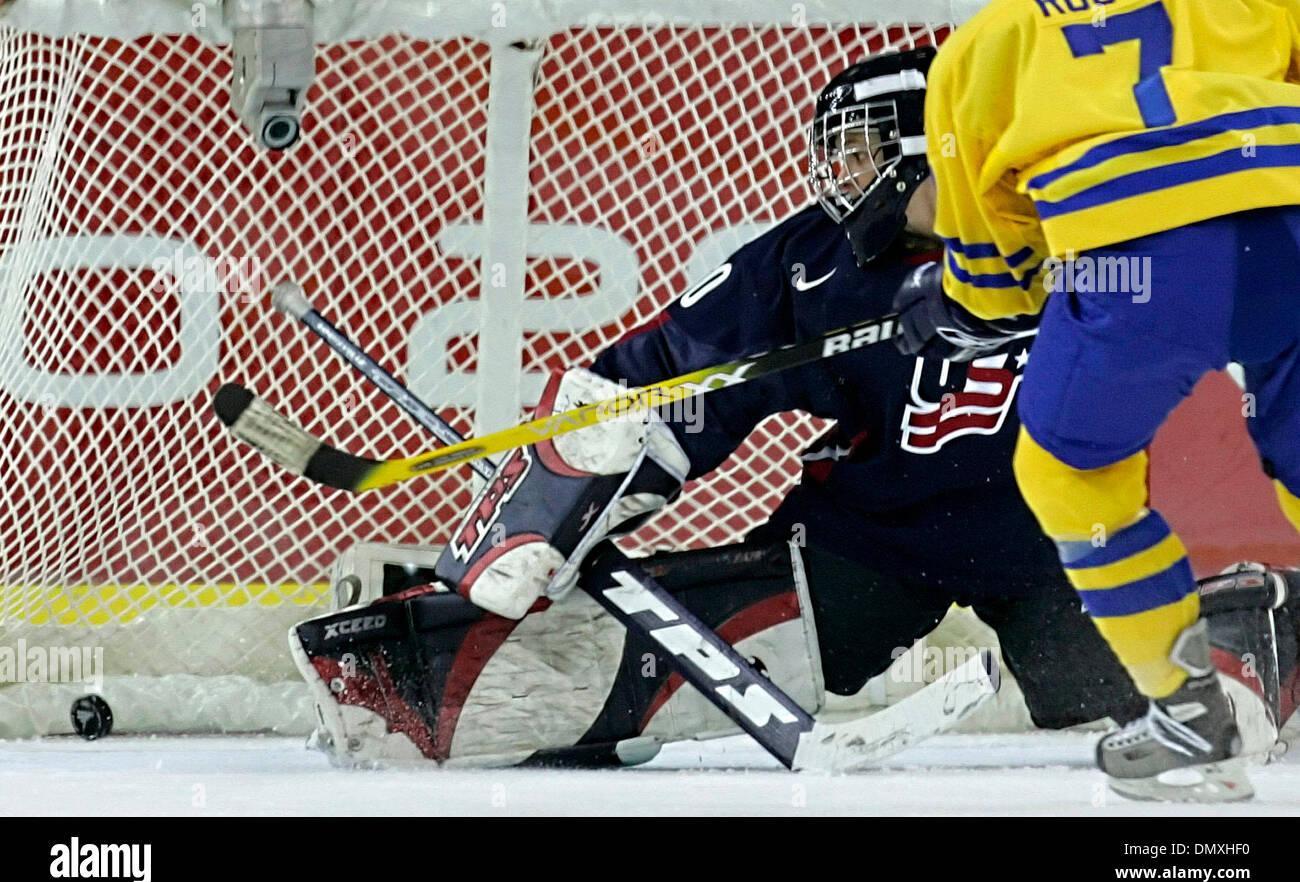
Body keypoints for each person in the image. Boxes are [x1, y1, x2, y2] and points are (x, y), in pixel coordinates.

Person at [288, 48, 1153, 768]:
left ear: (931, 144)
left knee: (1151, 694)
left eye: (858, 152)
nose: (838, 177)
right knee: (698, 636)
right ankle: (406, 672)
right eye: (835, 153)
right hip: (874, 533)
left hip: (1061, 529)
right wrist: (576, 479)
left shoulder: (1071, 223)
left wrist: (1030, 285)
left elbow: (1179, 303)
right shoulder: (808, 262)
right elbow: (672, 378)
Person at [890, 0, 1300, 801]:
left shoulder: (982, 46)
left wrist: (956, 298)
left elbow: (997, 268)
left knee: (1065, 470)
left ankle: (1188, 715)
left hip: (1149, 262)